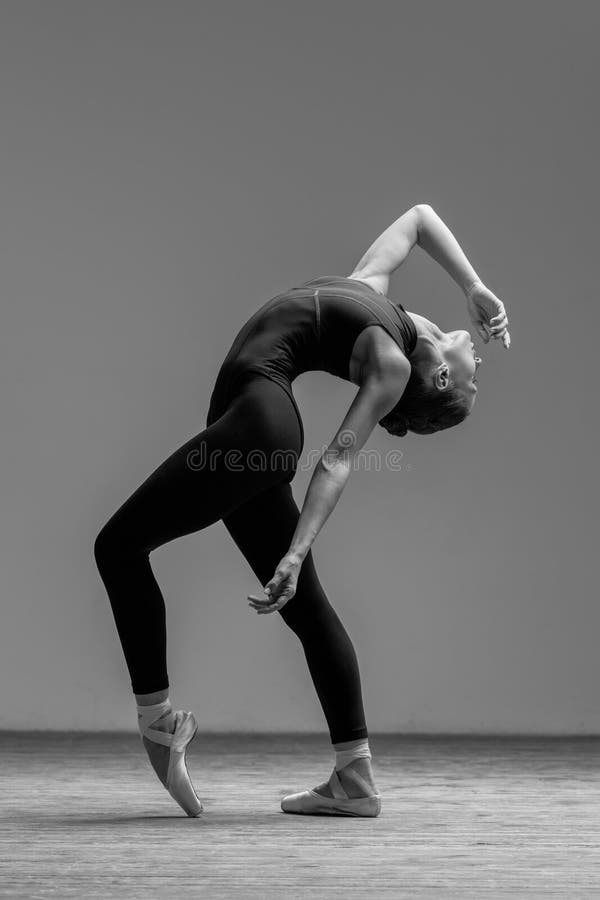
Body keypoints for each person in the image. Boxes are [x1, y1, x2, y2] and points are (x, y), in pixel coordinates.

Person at [93, 203, 510, 818]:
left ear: (442, 379)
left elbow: (338, 460)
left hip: (261, 426)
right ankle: (354, 778)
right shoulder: (372, 297)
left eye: (475, 380)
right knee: (308, 610)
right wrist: (474, 286)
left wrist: (295, 549)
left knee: (117, 548)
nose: (482, 364)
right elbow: (419, 219)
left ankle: (158, 725)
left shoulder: (390, 362)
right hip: (257, 429)